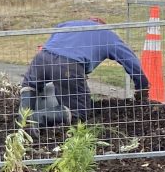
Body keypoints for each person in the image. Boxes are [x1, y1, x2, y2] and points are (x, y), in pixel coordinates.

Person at [20, 17, 149, 122]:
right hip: (69, 65)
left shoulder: (67, 23)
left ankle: (22, 121)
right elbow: (132, 62)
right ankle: (36, 118)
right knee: (79, 112)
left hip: (41, 58)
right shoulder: (108, 34)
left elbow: (53, 45)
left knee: (29, 86)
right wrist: (142, 87)